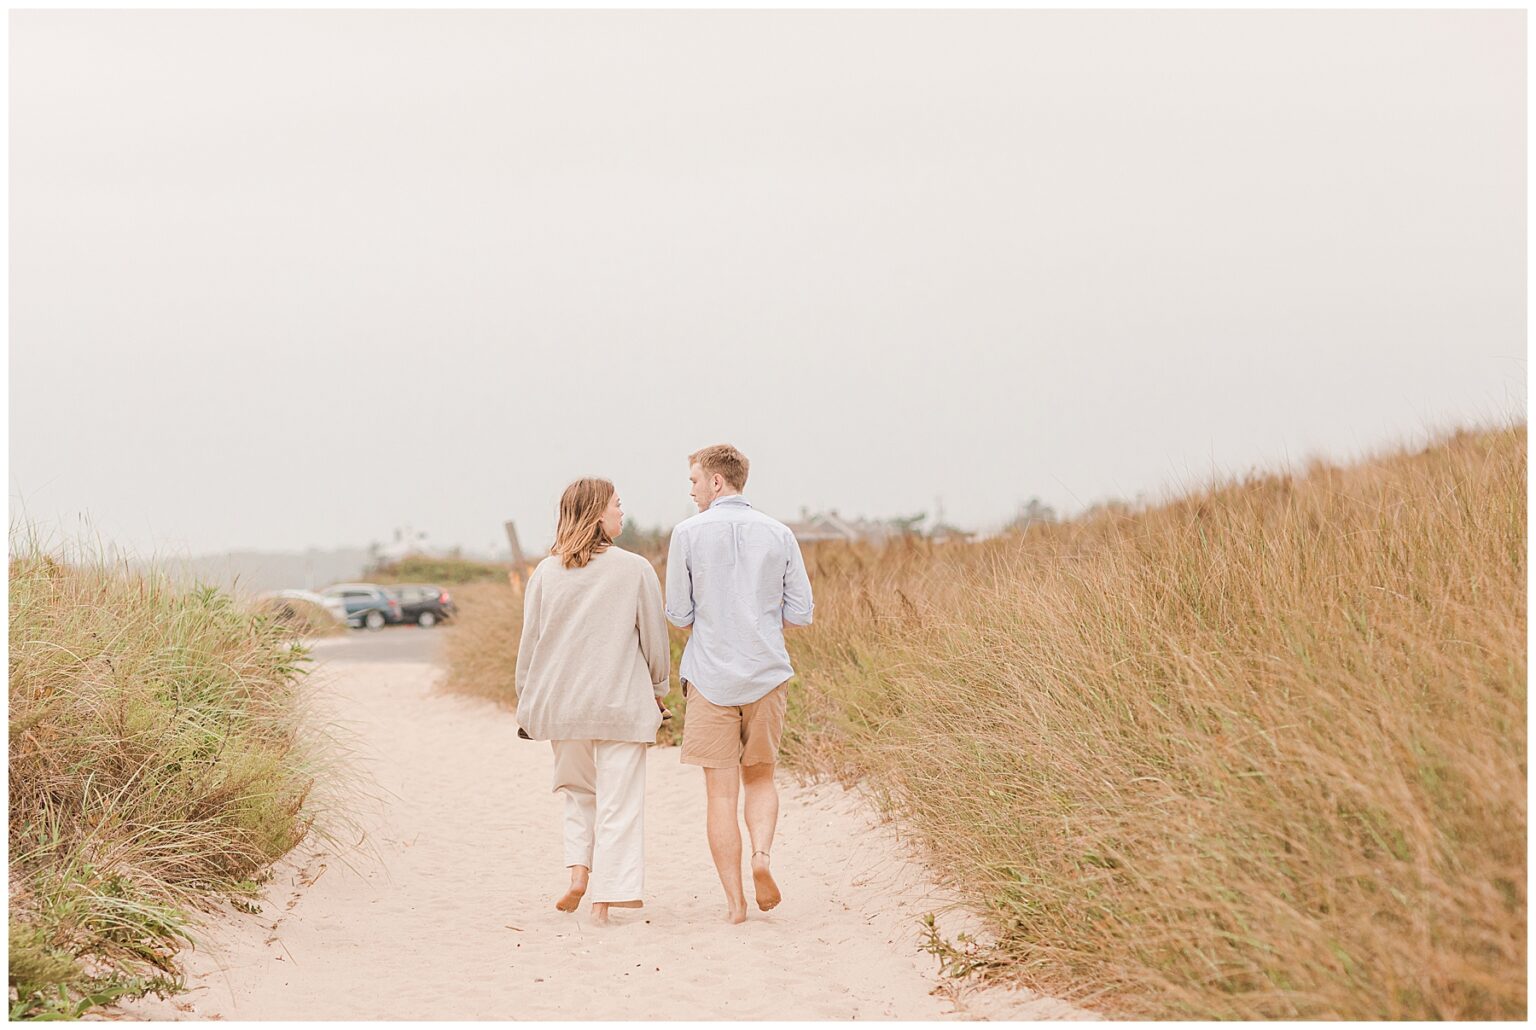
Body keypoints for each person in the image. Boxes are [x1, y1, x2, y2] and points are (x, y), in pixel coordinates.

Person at [664, 444, 814, 924]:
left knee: (721, 794)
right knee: (762, 778)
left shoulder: (686, 534)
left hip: (710, 679)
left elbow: (679, 614)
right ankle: (762, 858)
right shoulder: (779, 533)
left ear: (715, 482)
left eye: (693, 481)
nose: (689, 490)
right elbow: (801, 614)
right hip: (766, 674)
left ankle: (734, 903)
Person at [514, 478, 671, 925]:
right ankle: (605, 899)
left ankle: (578, 874)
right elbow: (654, 643)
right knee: (619, 803)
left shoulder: (545, 573)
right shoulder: (635, 569)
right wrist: (657, 691)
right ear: (599, 513)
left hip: (562, 707)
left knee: (579, 795)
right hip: (619, 703)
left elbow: (531, 645)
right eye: (618, 506)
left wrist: (527, 700)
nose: (624, 513)